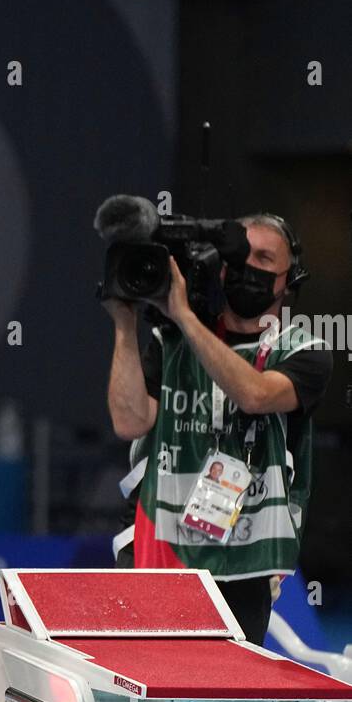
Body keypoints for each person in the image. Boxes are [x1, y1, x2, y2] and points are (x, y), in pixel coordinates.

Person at [106, 214, 332, 644]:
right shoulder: (169, 342)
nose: (249, 267)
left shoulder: (305, 351)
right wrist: (123, 323)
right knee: (147, 696)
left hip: (247, 557)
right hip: (157, 542)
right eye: (240, 256)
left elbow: (256, 395)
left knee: (228, 700)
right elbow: (129, 421)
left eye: (264, 258)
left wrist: (185, 316)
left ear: (289, 278)